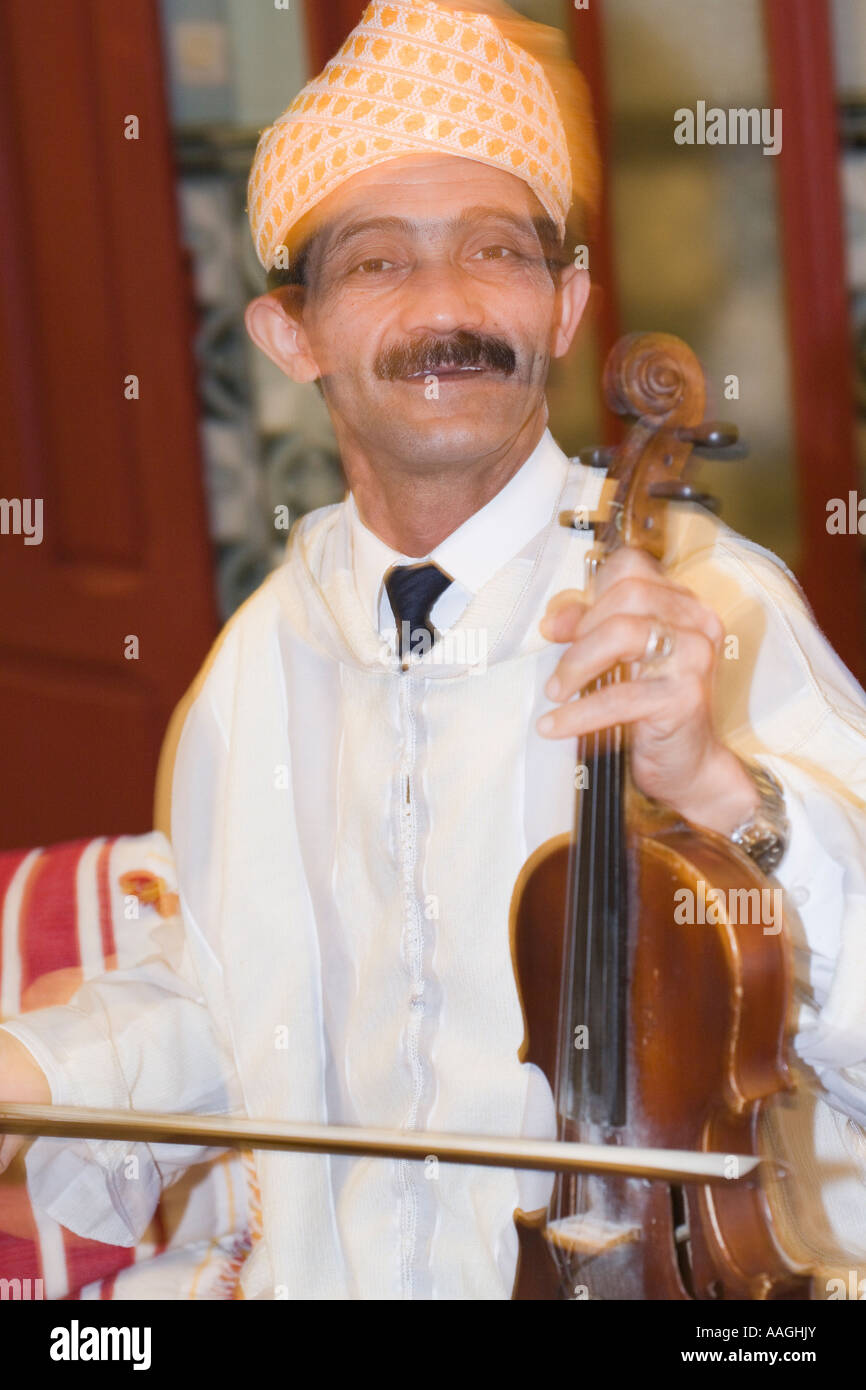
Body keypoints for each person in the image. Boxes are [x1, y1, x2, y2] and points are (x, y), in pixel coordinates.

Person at [2, 0, 866, 1300]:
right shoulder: (252, 663)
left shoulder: (709, 610)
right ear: (291, 334)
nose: (448, 306)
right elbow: (242, 997)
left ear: (564, 302)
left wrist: (721, 797)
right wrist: (41, 1075)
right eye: (377, 265)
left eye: (495, 251)